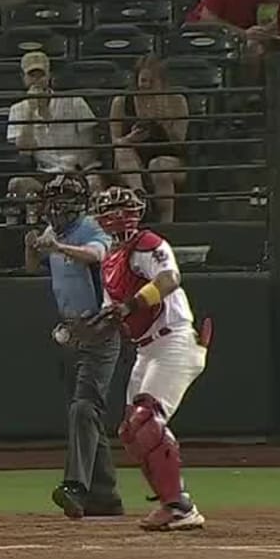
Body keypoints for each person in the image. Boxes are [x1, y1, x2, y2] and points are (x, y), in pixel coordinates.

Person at [96, 186, 210, 531]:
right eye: (108, 209)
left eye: (120, 209)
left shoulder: (148, 244)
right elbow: (111, 312)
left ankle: (180, 506)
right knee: (131, 432)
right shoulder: (110, 260)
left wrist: (130, 306)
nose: (115, 216)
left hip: (173, 340)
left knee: (147, 421)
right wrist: (92, 327)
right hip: (146, 348)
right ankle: (170, 502)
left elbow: (169, 279)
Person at [26, 176, 122, 519]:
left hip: (99, 330)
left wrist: (56, 248)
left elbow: (96, 255)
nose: (56, 208)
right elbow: (32, 266)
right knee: (85, 414)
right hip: (69, 331)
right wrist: (33, 247)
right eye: (52, 201)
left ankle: (76, 488)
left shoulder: (91, 227)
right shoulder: (53, 232)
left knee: (83, 409)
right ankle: (106, 495)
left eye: (63, 201)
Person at [6, 52, 104, 210]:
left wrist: (70, 170)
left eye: (41, 75)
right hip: (46, 173)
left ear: (49, 75)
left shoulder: (75, 102)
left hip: (79, 170)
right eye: (32, 76)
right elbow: (25, 151)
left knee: (95, 184)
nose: (37, 80)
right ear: (23, 78)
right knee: (17, 184)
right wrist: (31, 112)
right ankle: (38, 229)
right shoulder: (17, 110)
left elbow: (90, 148)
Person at [109, 55, 190, 223]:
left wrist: (164, 124)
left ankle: (167, 224)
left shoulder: (176, 100)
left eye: (151, 81)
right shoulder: (121, 102)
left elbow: (180, 143)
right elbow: (115, 142)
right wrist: (131, 138)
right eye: (143, 80)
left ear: (162, 82)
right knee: (122, 149)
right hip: (133, 159)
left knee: (158, 166)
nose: (145, 85)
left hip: (169, 157)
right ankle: (140, 199)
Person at [183, 0, 280, 80]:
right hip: (203, 38)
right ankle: (242, 100)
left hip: (245, 51)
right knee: (252, 48)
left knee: (261, 52)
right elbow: (205, 20)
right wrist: (243, 34)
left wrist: (272, 39)